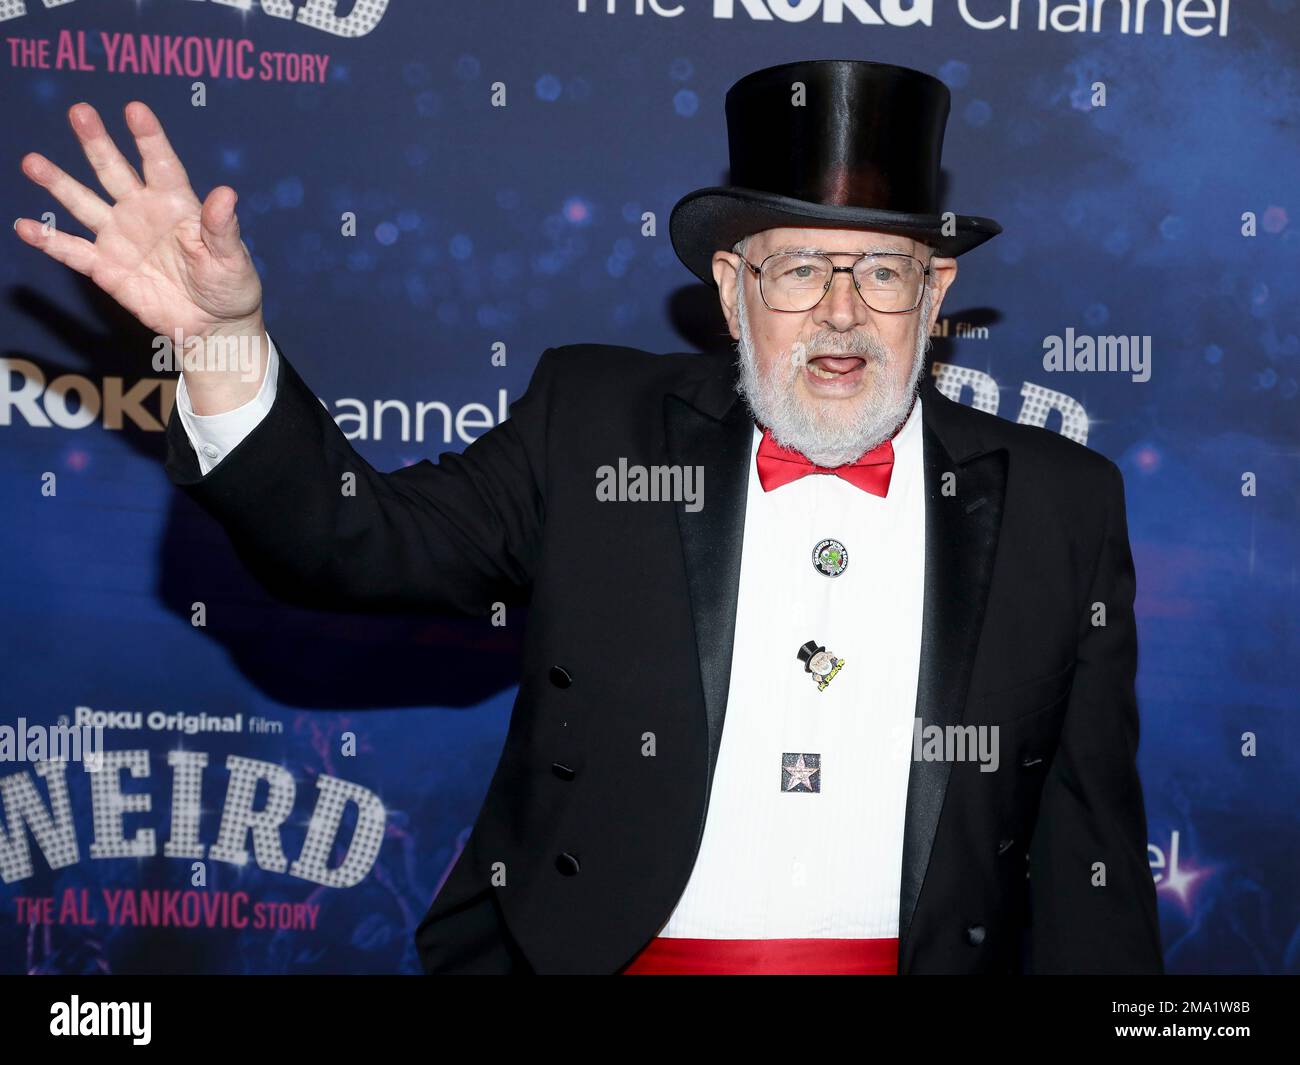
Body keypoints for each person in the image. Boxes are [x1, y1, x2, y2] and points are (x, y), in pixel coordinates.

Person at [15, 59, 1163, 975]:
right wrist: (219, 343)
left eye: (881, 273)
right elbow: (352, 543)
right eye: (798, 270)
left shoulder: (1062, 501)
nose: (841, 312)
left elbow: (1088, 847)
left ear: (937, 296)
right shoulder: (593, 425)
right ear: (729, 292)